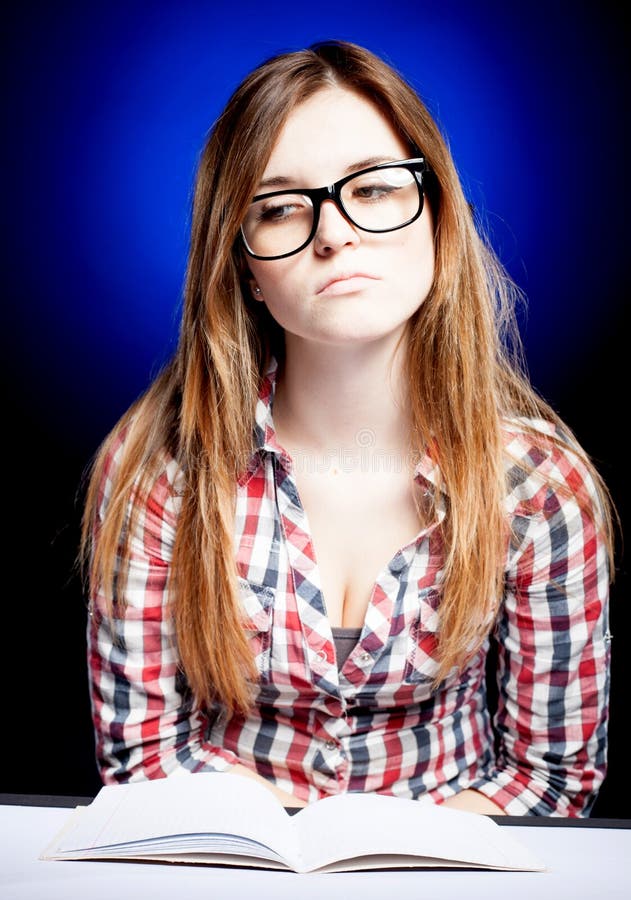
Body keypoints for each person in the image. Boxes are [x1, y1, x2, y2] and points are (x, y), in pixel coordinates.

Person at [81, 39, 615, 817]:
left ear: (439, 216)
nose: (332, 233)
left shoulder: (538, 488)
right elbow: (144, 755)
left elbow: (551, 777)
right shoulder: (159, 470)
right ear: (244, 270)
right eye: (280, 207)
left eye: (372, 189)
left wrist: (399, 861)